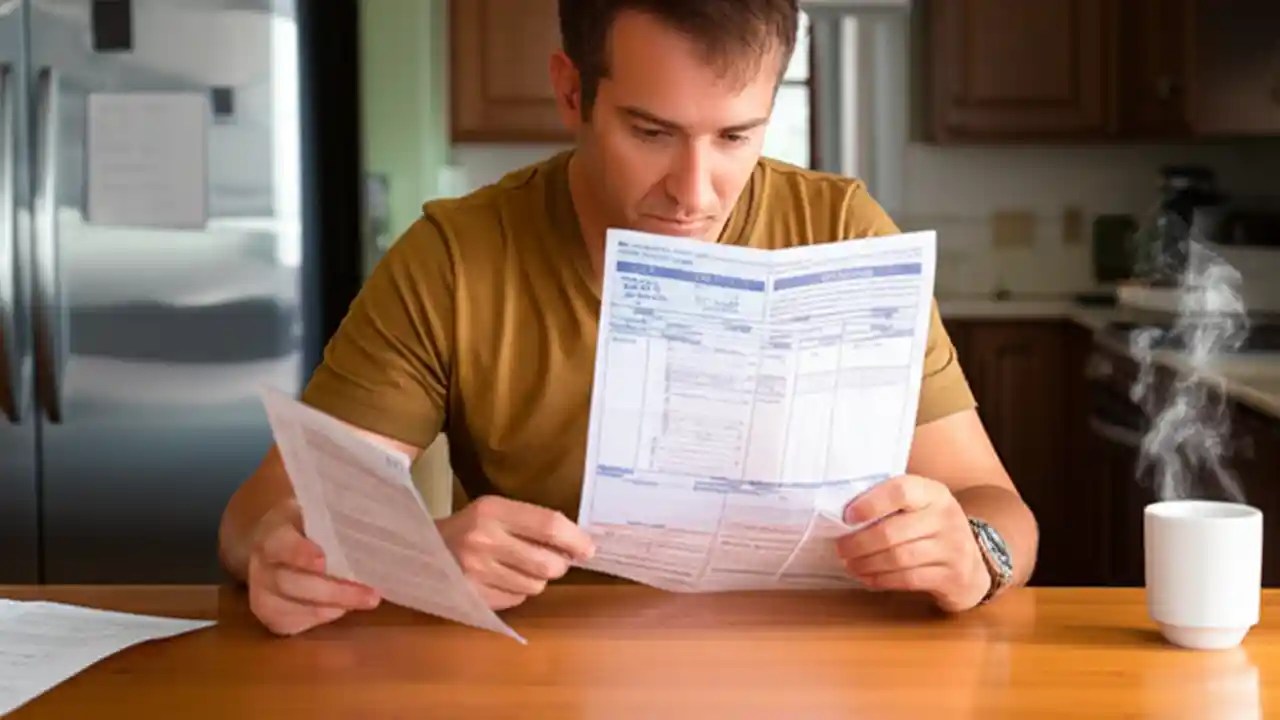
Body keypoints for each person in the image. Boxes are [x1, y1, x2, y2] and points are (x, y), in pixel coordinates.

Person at [218, 0, 1039, 637]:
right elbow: (261, 514)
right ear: (573, 91)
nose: (696, 190)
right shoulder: (456, 259)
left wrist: (975, 556)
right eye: (651, 132)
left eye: (736, 136)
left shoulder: (845, 232)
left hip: (819, 662)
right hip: (548, 671)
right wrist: (373, 554)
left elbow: (998, 509)